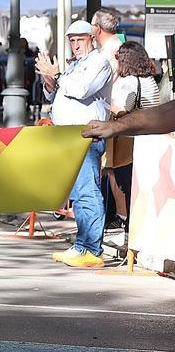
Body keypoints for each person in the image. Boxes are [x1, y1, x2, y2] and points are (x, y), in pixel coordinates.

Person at [34, 20, 113, 269]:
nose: (76, 45)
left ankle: (92, 250)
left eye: (80, 40)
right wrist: (50, 80)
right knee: (78, 195)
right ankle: (82, 246)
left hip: (86, 137)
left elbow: (80, 89)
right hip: (70, 137)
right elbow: (54, 94)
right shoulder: (76, 65)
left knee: (87, 192)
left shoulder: (99, 63)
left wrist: (56, 75)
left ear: (92, 39)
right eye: (72, 40)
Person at [103, 41, 161, 231]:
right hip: (150, 140)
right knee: (142, 188)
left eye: (119, 57)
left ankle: (131, 230)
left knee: (128, 187)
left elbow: (122, 110)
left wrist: (103, 100)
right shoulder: (148, 79)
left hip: (131, 143)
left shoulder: (130, 82)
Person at [91, 8, 124, 75]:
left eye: (92, 25)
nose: (90, 29)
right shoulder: (117, 45)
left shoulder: (109, 52)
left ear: (98, 28)